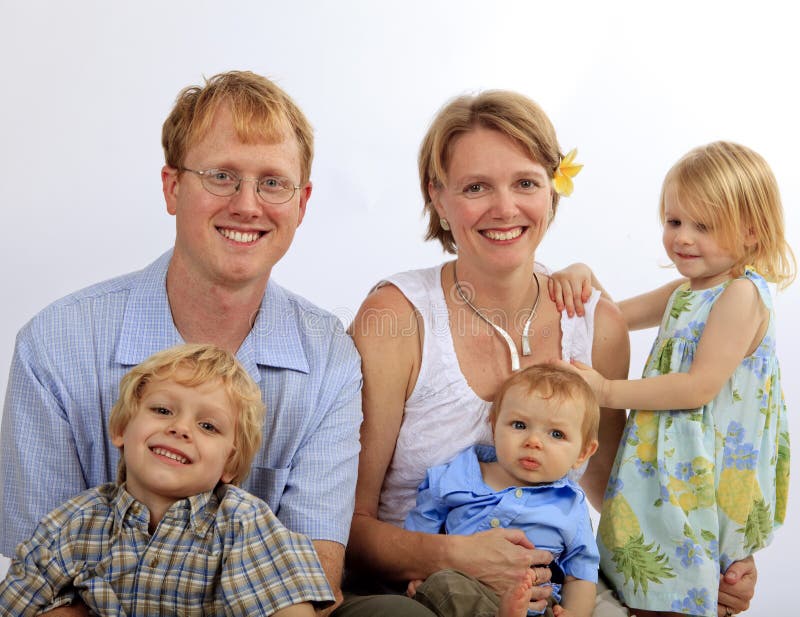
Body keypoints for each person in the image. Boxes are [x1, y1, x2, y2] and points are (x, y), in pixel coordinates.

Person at [0, 71, 362, 615]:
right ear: (173, 187)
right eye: (221, 176)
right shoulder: (54, 344)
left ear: (302, 203)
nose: (247, 205)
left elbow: (314, 582)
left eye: (273, 182)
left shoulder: (329, 356)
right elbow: (41, 586)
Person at [336, 90, 631, 617]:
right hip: (414, 591)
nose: (505, 208)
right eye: (476, 187)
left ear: (552, 190)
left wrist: (711, 563)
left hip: (551, 594)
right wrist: (455, 556)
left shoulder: (595, 324)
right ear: (439, 198)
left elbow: (618, 495)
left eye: (525, 183)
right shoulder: (396, 318)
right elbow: (343, 525)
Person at [557, 141, 794, 617]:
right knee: (645, 577)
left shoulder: (741, 295)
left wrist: (605, 391)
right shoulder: (685, 291)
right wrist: (583, 274)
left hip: (704, 468)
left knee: (682, 584)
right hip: (668, 463)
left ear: (751, 230)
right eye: (674, 221)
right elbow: (611, 316)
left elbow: (697, 387)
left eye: (703, 226)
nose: (682, 238)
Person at [0, 343, 334, 616]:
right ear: (121, 428)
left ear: (230, 464)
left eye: (208, 426)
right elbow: (13, 604)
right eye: (162, 410)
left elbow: (291, 611)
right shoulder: (74, 523)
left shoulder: (243, 522)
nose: (180, 428)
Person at [405, 365, 601, 617]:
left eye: (556, 434)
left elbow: (580, 575)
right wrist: (420, 575)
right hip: (461, 591)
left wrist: (574, 613)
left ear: (583, 452)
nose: (533, 441)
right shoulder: (460, 474)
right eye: (519, 425)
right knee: (444, 585)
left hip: (534, 604)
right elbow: (422, 528)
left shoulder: (571, 504)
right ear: (494, 425)